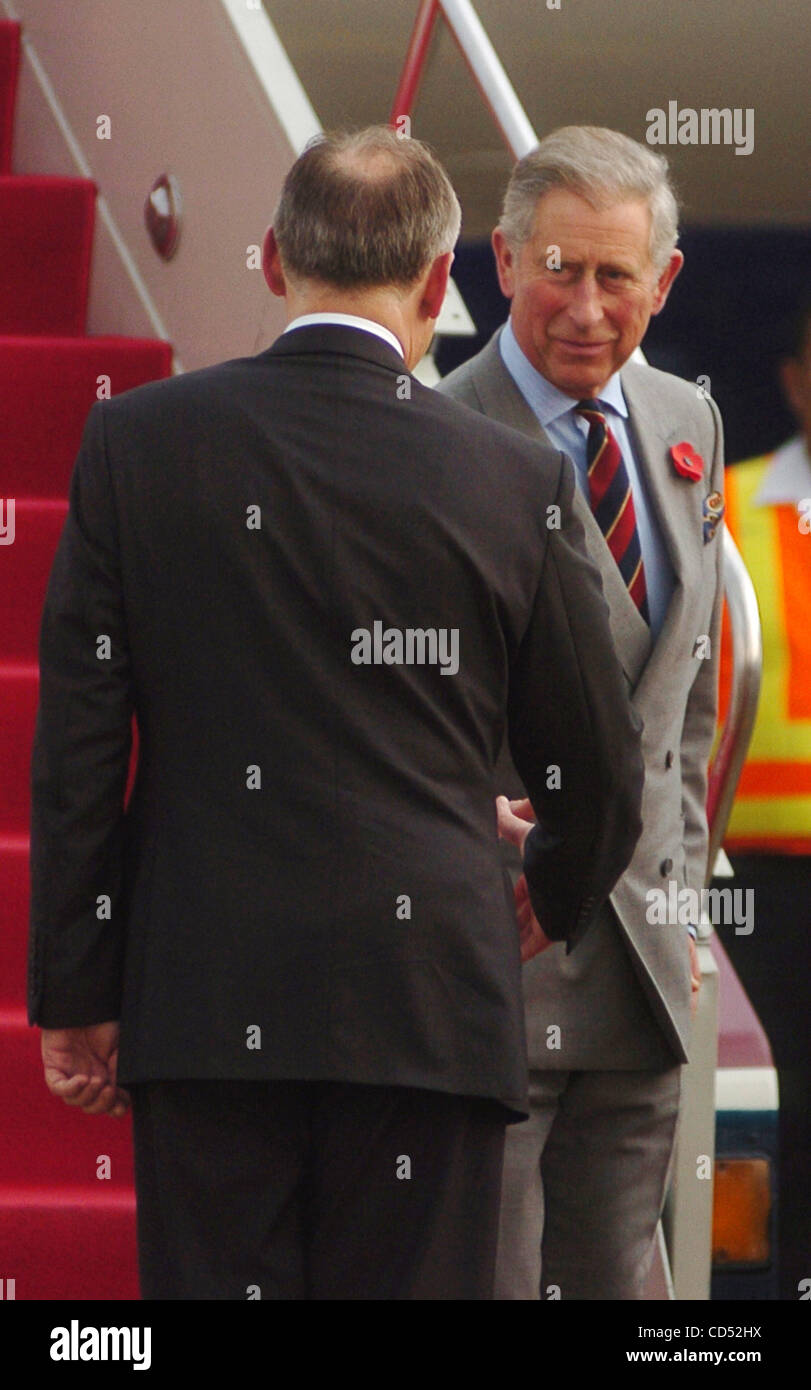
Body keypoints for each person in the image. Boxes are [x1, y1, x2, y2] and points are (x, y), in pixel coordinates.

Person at [28, 126, 644, 1301]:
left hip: (206, 1005)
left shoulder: (136, 445)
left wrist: (78, 987)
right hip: (429, 1010)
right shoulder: (516, 482)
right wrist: (544, 888)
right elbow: (601, 769)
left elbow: (77, 753)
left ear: (271, 260)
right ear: (436, 279)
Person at [438, 125, 725, 1300]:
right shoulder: (433, 433)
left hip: (647, 968)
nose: (586, 306)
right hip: (495, 952)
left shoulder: (684, 422)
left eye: (616, 276)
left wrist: (688, 894)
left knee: (619, 1284)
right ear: (501, 263)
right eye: (559, 268)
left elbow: (689, 700)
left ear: (661, 280)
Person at [717, 290, 811, 1298]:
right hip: (747, 890)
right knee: (747, 1113)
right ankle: (738, 1307)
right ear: (791, 382)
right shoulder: (725, 505)